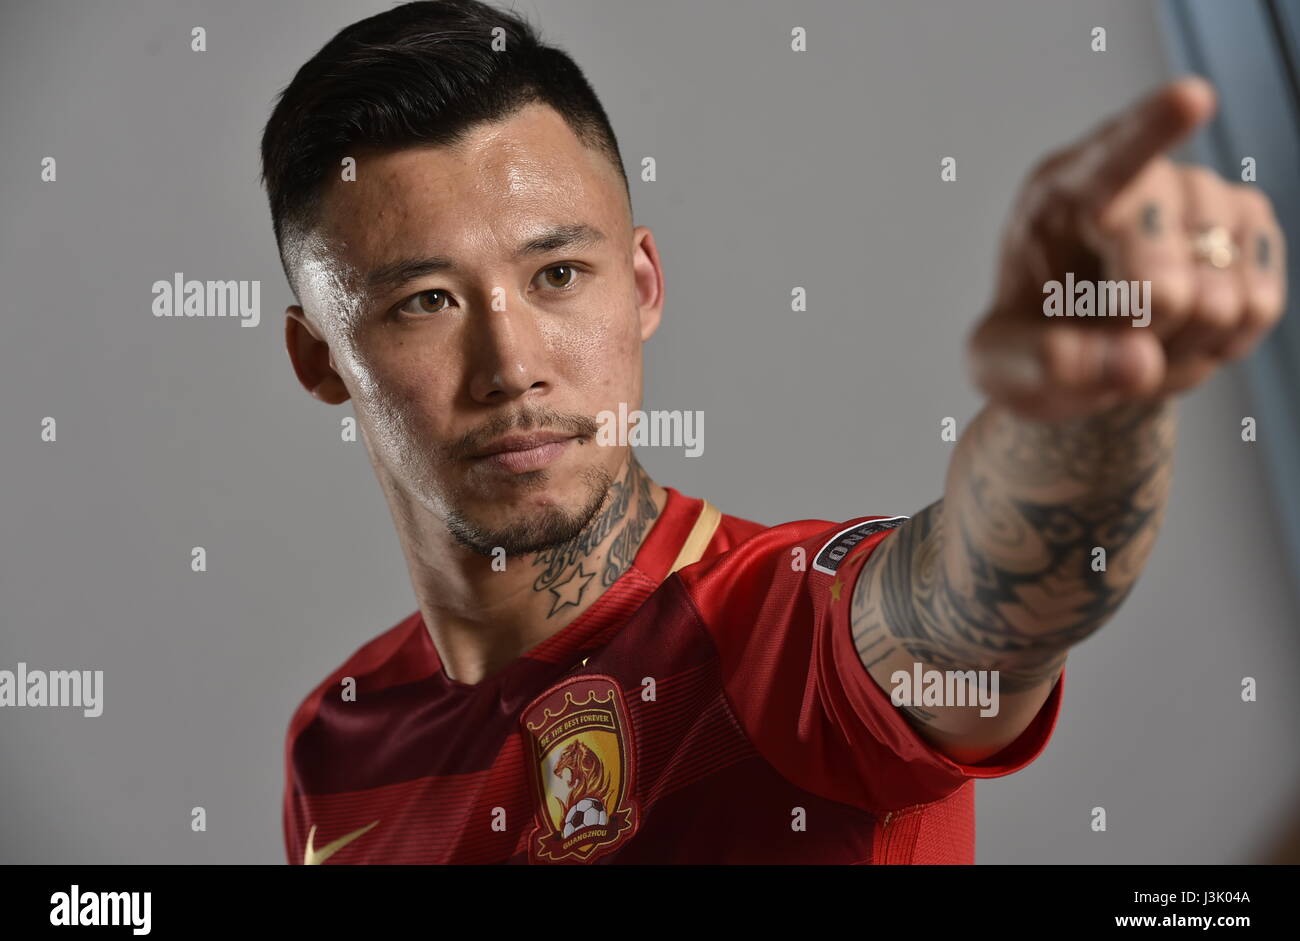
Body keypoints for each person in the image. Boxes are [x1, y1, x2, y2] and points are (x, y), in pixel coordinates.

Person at [259, 0, 1286, 863]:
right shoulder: (337, 744)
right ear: (319, 360)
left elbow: (982, 598)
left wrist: (1080, 399)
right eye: (426, 301)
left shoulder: (777, 636)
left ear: (644, 285)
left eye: (557, 276)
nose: (511, 363)